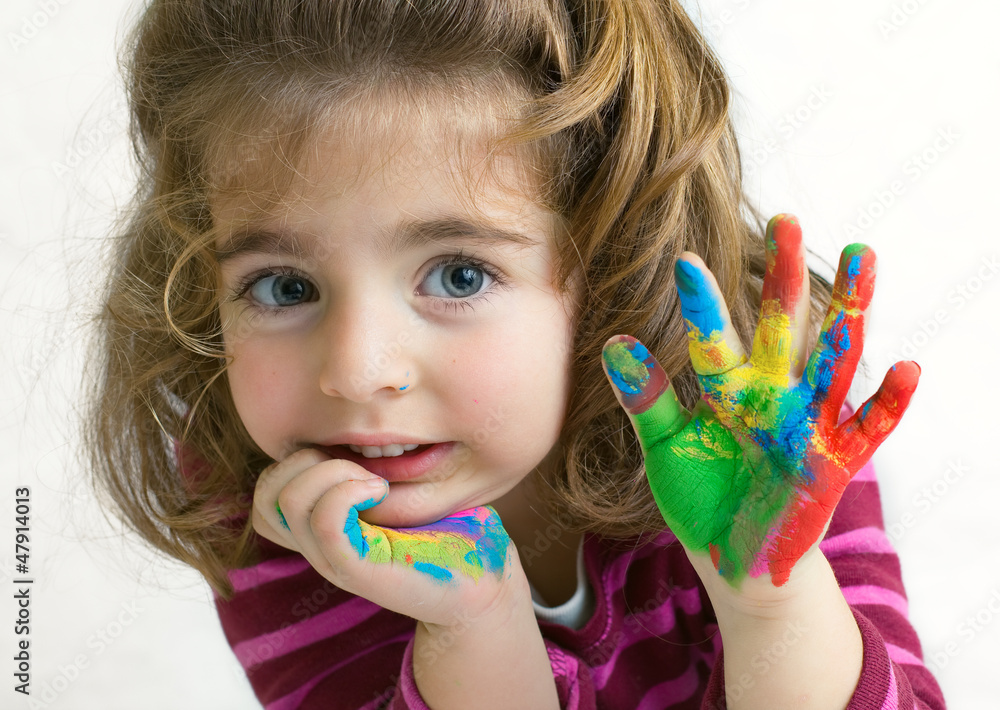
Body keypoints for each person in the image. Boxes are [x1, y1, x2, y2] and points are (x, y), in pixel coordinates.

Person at [85, 0, 946, 707]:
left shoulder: (759, 430)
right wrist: (473, 626)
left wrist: (772, 605)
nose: (356, 371)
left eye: (458, 276)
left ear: (613, 265)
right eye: (283, 287)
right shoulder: (275, 509)